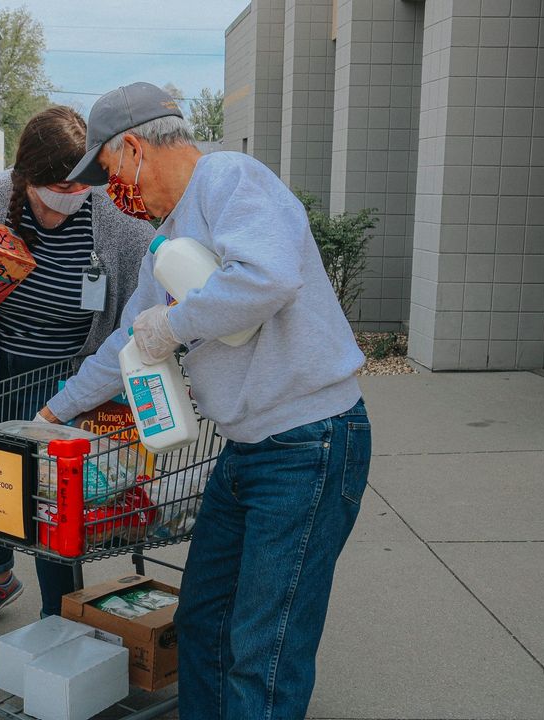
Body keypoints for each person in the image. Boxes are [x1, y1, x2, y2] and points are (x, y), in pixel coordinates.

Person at [37, 82, 372, 719]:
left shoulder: (228, 179)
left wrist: (177, 323)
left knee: (263, 645)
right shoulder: (166, 239)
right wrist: (56, 411)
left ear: (134, 148)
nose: (114, 193)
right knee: (206, 619)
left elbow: (267, 277)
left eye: (110, 174)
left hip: (309, 440)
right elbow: (125, 345)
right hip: (248, 452)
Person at [0, 105, 154, 632]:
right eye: (57, 187)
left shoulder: (117, 221)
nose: (72, 196)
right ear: (25, 177)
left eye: (81, 185)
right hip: (2, 367)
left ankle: (58, 617)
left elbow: (141, 311)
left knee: (55, 501)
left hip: (74, 380)